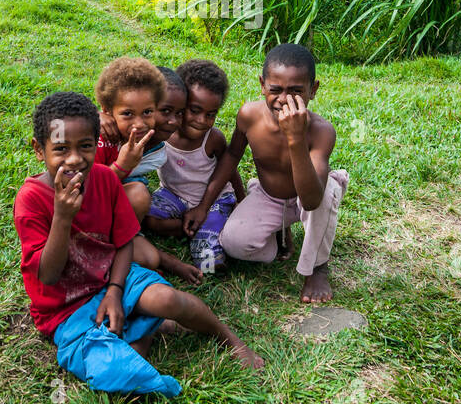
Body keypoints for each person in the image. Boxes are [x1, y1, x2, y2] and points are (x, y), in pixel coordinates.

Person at [12, 91, 263, 393]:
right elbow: (48, 276)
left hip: (112, 280)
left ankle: (228, 337)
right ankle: (149, 328)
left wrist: (115, 292)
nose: (75, 159)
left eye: (86, 146)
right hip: (66, 309)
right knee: (116, 371)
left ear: (98, 144)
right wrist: (63, 217)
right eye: (61, 149)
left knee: (169, 299)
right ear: (40, 150)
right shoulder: (31, 200)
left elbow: (123, 242)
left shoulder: (105, 179)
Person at [184, 44, 348, 303]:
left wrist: (295, 139)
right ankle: (279, 232)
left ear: (313, 90)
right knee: (234, 243)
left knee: (325, 196)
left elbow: (311, 200)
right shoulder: (249, 115)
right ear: (262, 85)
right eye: (275, 90)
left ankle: (317, 266)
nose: (284, 99)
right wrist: (204, 205)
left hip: (310, 196)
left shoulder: (321, 131)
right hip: (272, 197)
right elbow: (231, 156)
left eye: (296, 91)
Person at [95, 57, 203, 283]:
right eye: (164, 111)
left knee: (151, 258)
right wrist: (97, 116)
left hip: (116, 207)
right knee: (138, 194)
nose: (140, 122)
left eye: (147, 112)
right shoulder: (102, 136)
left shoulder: (157, 153)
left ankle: (125, 248)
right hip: (88, 209)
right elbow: (90, 190)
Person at [146, 59, 245, 273]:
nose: (201, 120)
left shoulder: (213, 139)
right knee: (146, 217)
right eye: (194, 110)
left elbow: (228, 170)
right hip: (173, 194)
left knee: (209, 264)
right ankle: (189, 225)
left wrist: (241, 200)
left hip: (213, 200)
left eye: (211, 114)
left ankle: (206, 227)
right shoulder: (163, 131)